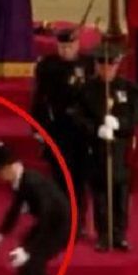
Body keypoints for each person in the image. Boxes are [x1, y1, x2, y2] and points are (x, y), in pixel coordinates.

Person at [0, 141, 71, 275]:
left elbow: (47, 217)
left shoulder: (33, 183)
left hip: (59, 228)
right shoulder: (19, 180)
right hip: (50, 223)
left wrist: (29, 250)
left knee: (26, 264)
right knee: (27, 247)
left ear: (9, 167)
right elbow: (14, 210)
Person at [76, 41, 138, 253]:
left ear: (117, 66)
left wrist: (119, 124)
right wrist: (95, 128)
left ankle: (120, 234)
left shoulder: (129, 90)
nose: (106, 70)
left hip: (121, 150)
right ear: (96, 66)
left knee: (121, 194)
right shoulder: (86, 90)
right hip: (96, 149)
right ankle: (104, 235)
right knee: (100, 194)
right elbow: (77, 115)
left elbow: (137, 116)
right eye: (102, 66)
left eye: (111, 66)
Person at [29, 27, 90, 237]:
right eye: (62, 46)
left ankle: (79, 221)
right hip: (58, 129)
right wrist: (37, 129)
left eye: (70, 46)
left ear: (77, 44)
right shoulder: (48, 66)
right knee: (59, 178)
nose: (66, 50)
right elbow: (39, 99)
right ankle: (62, 221)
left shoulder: (87, 64)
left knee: (80, 179)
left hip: (82, 131)